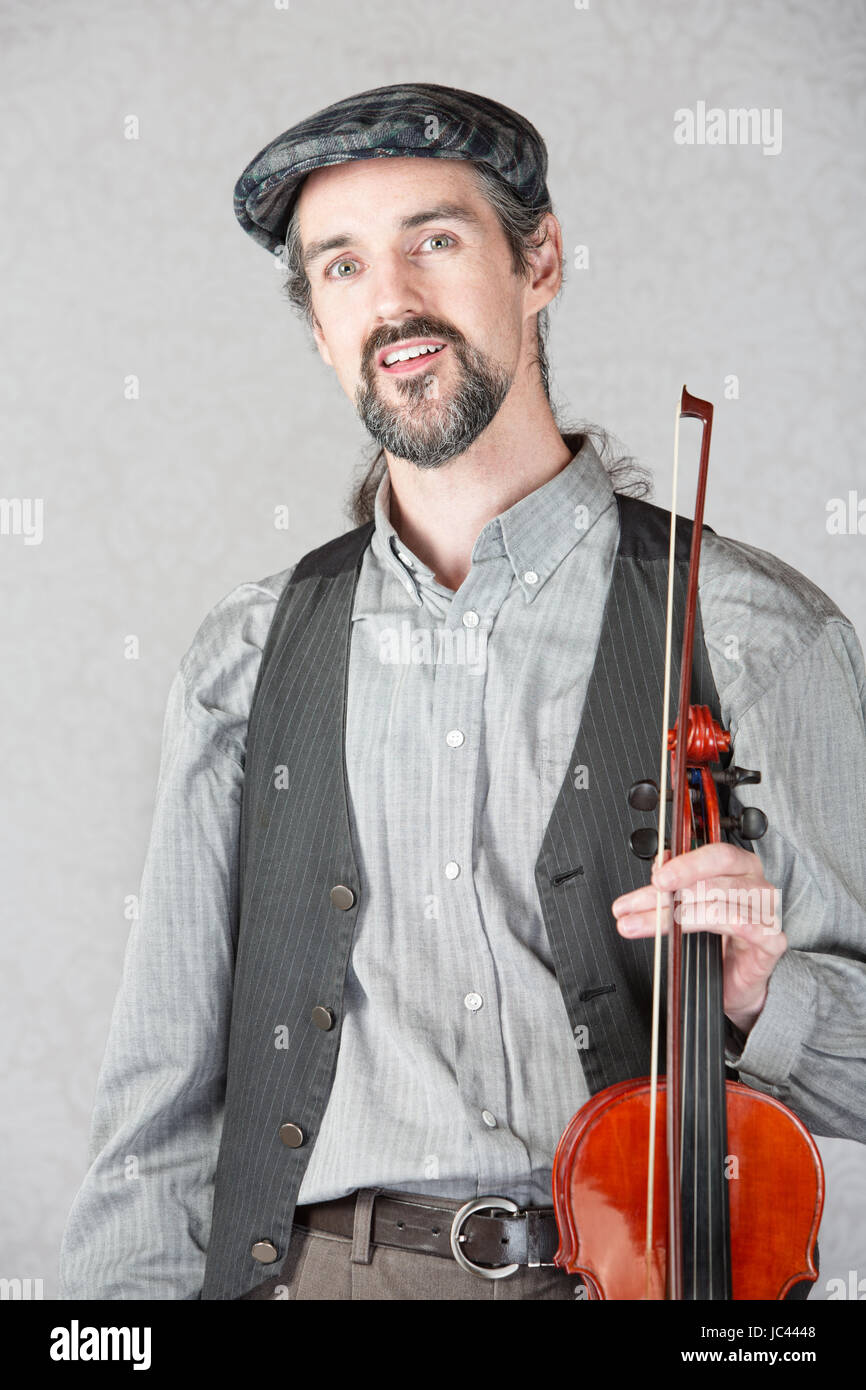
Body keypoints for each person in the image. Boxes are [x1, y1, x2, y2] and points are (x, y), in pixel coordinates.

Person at [59, 82, 866, 1302]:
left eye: (433, 241)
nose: (392, 303)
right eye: (340, 268)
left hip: (650, 1276)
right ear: (317, 326)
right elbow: (157, 1105)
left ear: (537, 259)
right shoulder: (243, 660)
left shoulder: (756, 634)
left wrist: (767, 997)